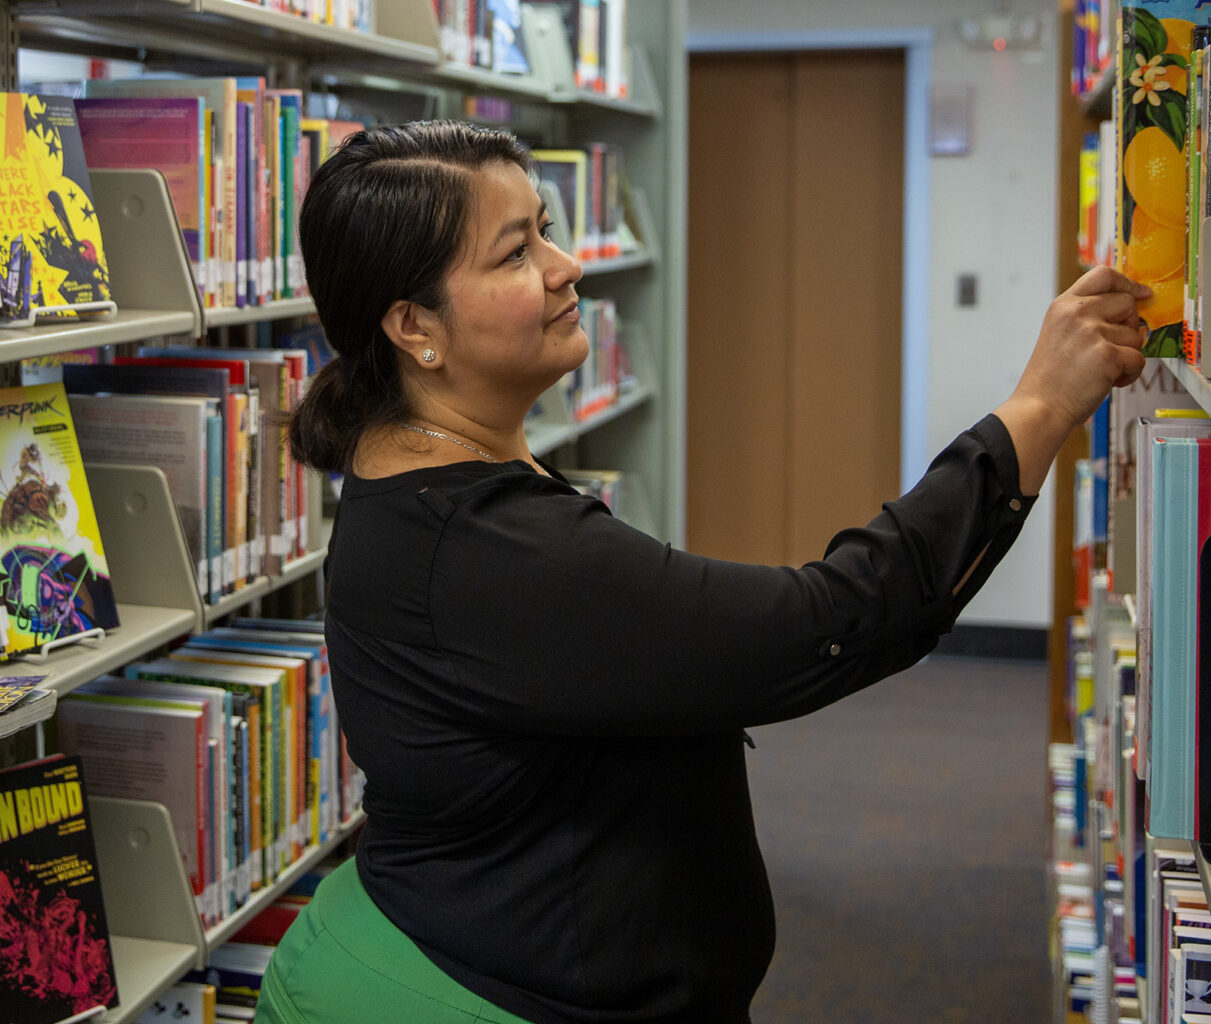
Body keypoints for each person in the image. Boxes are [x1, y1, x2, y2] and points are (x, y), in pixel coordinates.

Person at [253, 119, 1149, 1024]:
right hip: (514, 985)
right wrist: (1038, 409)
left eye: (548, 228)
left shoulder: (410, 464)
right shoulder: (485, 551)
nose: (565, 268)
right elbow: (828, 623)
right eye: (516, 253)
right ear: (414, 326)